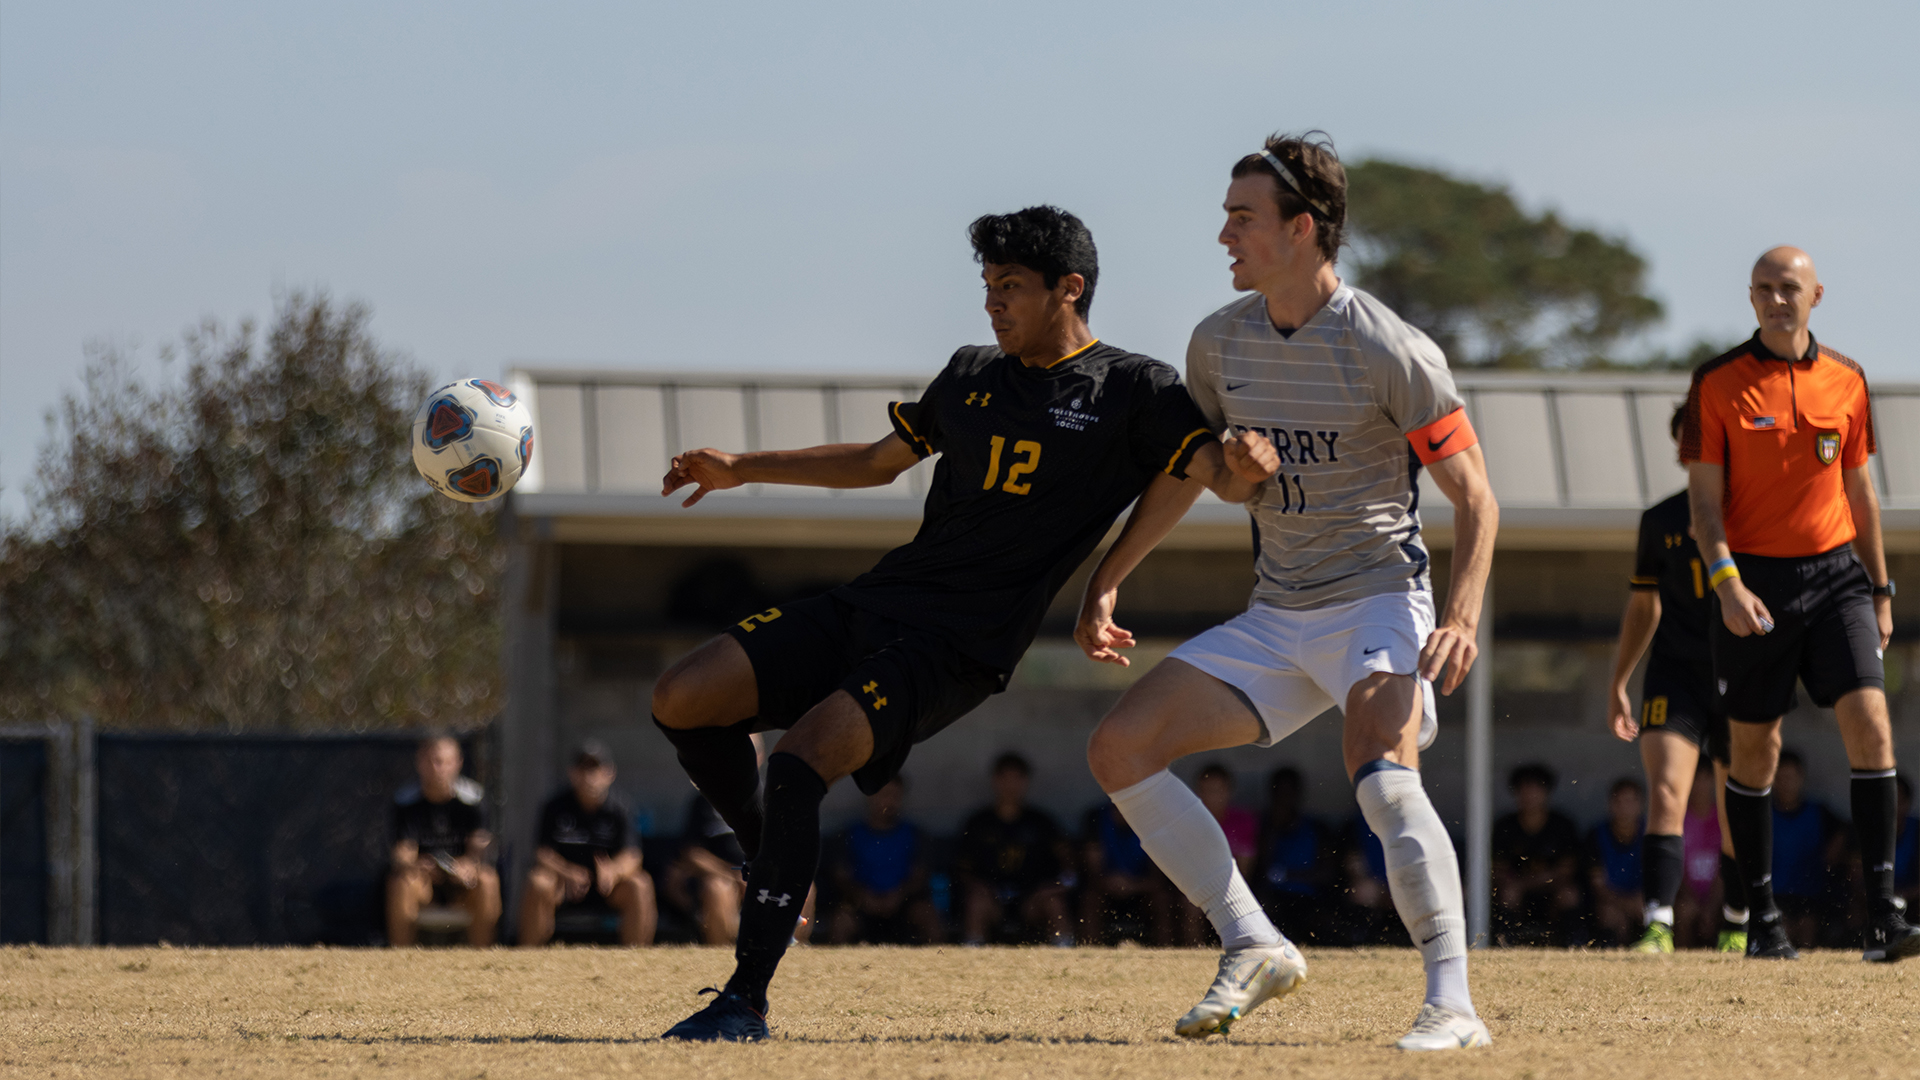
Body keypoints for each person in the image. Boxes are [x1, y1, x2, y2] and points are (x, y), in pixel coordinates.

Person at [649, 206, 1279, 1040]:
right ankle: (773, 854)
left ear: (1070, 290)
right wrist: (740, 469)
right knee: (683, 695)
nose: (993, 304)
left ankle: (743, 1001)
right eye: (987, 287)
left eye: (1010, 287)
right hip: (876, 600)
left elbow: (1218, 480)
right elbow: (880, 462)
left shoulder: (1135, 388)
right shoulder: (972, 371)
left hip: (956, 647)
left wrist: (1244, 467)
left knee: (802, 758)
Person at [1080, 131, 1498, 1050]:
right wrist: (1107, 579)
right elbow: (1196, 479)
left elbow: (1477, 497)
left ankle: (1454, 1006)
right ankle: (1254, 943)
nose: (1223, 236)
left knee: (1384, 783)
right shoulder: (1218, 344)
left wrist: (1461, 616)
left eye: (1242, 218)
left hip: (1380, 600)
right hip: (1278, 614)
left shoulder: (1393, 347)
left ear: (1303, 229)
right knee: (1119, 748)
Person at [1680, 245, 1920, 962]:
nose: (1776, 299)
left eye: (1790, 288)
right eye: (1763, 289)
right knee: (1755, 751)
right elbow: (1702, 504)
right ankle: (1760, 916)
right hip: (1752, 581)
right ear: (1750, 299)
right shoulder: (1718, 382)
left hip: (1838, 576)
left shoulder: (1848, 380)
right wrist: (1726, 584)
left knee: (1873, 730)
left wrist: (1880, 590)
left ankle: (1883, 915)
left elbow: (1862, 494)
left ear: (1818, 295)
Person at [1607, 404, 1748, 954]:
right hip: (1674, 675)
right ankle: (1659, 922)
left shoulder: (1754, 518)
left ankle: (1738, 920)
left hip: (1739, 676)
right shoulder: (1660, 521)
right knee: (1667, 790)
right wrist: (1619, 679)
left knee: (1739, 802)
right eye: (1690, 446)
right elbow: (1643, 607)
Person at [518, 741, 656, 946]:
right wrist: (567, 871)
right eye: (583, 769)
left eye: (596, 769)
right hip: (564, 884)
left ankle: (636, 958)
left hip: (608, 888)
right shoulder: (555, 806)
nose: (590, 777)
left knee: (640, 884)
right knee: (538, 882)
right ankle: (529, 957)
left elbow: (633, 855)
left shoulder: (621, 808)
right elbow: (542, 853)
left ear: (610, 773)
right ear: (572, 773)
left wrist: (613, 871)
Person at [387, 734, 500, 947]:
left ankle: (484, 961)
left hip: (463, 884)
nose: (437, 768)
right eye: (431, 761)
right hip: (425, 883)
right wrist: (417, 865)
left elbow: (479, 847)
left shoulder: (474, 799)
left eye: (444, 762)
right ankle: (400, 960)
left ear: (458, 763)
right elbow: (402, 852)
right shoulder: (406, 801)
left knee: (487, 880)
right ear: (419, 763)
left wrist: (467, 866)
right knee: (401, 882)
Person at [955, 753, 1075, 946]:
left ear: (1026, 781)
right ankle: (970, 959)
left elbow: (1068, 862)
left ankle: (1067, 958)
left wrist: (1060, 885)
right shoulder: (978, 822)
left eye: (1017, 779)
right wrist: (978, 887)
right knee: (975, 902)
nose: (1011, 785)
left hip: (1032, 900)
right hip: (993, 901)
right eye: (1005, 778)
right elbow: (962, 869)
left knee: (1055, 903)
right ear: (995, 780)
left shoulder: (1042, 822)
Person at [826, 776, 941, 945]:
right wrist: (863, 897)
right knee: (841, 921)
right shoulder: (850, 834)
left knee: (927, 915)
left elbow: (920, 874)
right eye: (884, 794)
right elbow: (840, 876)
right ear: (870, 797)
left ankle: (940, 965)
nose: (889, 801)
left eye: (895, 795)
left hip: (903, 904)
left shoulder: (914, 834)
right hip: (862, 904)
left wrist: (899, 895)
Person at [1490, 764, 1583, 947]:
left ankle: (1573, 946)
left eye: (1535, 790)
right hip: (1518, 895)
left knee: (1569, 894)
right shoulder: (1505, 826)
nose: (1530, 796)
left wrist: (1529, 882)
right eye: (1524, 790)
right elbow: (1498, 871)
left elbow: (1566, 871)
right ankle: (1503, 945)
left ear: (1547, 793)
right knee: (1508, 893)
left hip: (1551, 893)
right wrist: (1520, 884)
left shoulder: (1562, 825)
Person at [1768, 750, 1847, 948]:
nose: (1786, 784)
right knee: (1779, 931)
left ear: (1801, 778)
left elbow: (1846, 830)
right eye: (1781, 778)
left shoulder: (1819, 813)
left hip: (1810, 897)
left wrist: (1831, 856)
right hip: (1774, 896)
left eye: (1791, 777)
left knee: (1807, 929)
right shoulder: (1764, 815)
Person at [1178, 764, 1259, 944]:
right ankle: (1192, 955)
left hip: (1234, 887)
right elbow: (1187, 869)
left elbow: (1244, 869)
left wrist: (1222, 892)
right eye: (1206, 791)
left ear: (1229, 792)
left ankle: (1242, 951)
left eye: (1217, 790)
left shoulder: (1244, 821)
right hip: (1199, 887)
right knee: (1190, 905)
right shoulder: (1188, 822)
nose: (1212, 797)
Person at [1254, 767, 1336, 944]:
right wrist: (1273, 830)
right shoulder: (1263, 828)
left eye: (1289, 792)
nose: (1284, 799)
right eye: (1279, 793)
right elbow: (1259, 870)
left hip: (1307, 898)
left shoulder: (1317, 828)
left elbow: (1327, 873)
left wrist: (1289, 875)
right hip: (1274, 897)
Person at [1078, 798, 1173, 947]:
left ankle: (1165, 953)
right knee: (1090, 899)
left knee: (1162, 900)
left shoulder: (1152, 822)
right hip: (1106, 890)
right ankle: (1089, 952)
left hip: (1142, 892)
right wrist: (1112, 883)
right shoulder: (1096, 818)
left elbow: (1159, 880)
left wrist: (1132, 886)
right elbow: (1091, 875)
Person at [662, 791, 749, 945]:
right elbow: (692, 853)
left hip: (760, 875)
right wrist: (735, 877)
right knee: (718, 888)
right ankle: (722, 957)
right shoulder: (705, 801)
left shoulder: (766, 798)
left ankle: (790, 956)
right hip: (719, 879)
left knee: (800, 885)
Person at [1586, 778, 1646, 947]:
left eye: (1629, 801)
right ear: (1610, 804)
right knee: (1611, 915)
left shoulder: (1651, 835)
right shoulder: (1596, 835)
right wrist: (1625, 903)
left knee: (1655, 911)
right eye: (1618, 801)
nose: (1624, 808)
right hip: (1611, 901)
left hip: (1642, 899)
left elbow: (1660, 877)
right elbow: (1597, 885)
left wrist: (1640, 900)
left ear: (1641, 804)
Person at [1675, 757, 1728, 947]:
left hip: (1720, 896)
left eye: (1707, 778)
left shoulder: (1724, 818)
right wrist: (1694, 902)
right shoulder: (1677, 819)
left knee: (1733, 910)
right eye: (1696, 778)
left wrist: (1711, 906)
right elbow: (1674, 867)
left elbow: (1726, 867)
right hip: (1686, 897)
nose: (1701, 785)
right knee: (1684, 911)